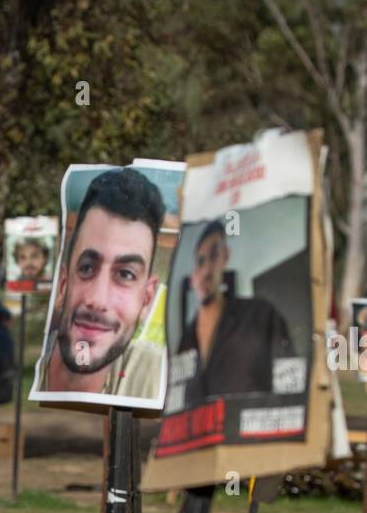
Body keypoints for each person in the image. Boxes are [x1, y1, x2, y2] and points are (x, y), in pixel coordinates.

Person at [38, 168, 165, 400]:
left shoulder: (160, 377)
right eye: (87, 268)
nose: (97, 300)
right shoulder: (32, 370)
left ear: (146, 300)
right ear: (64, 284)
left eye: (125, 274)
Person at [176, 219, 295, 402]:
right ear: (193, 274)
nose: (207, 270)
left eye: (214, 255)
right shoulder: (186, 339)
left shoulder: (261, 315)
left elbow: (291, 385)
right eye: (201, 261)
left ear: (225, 256)